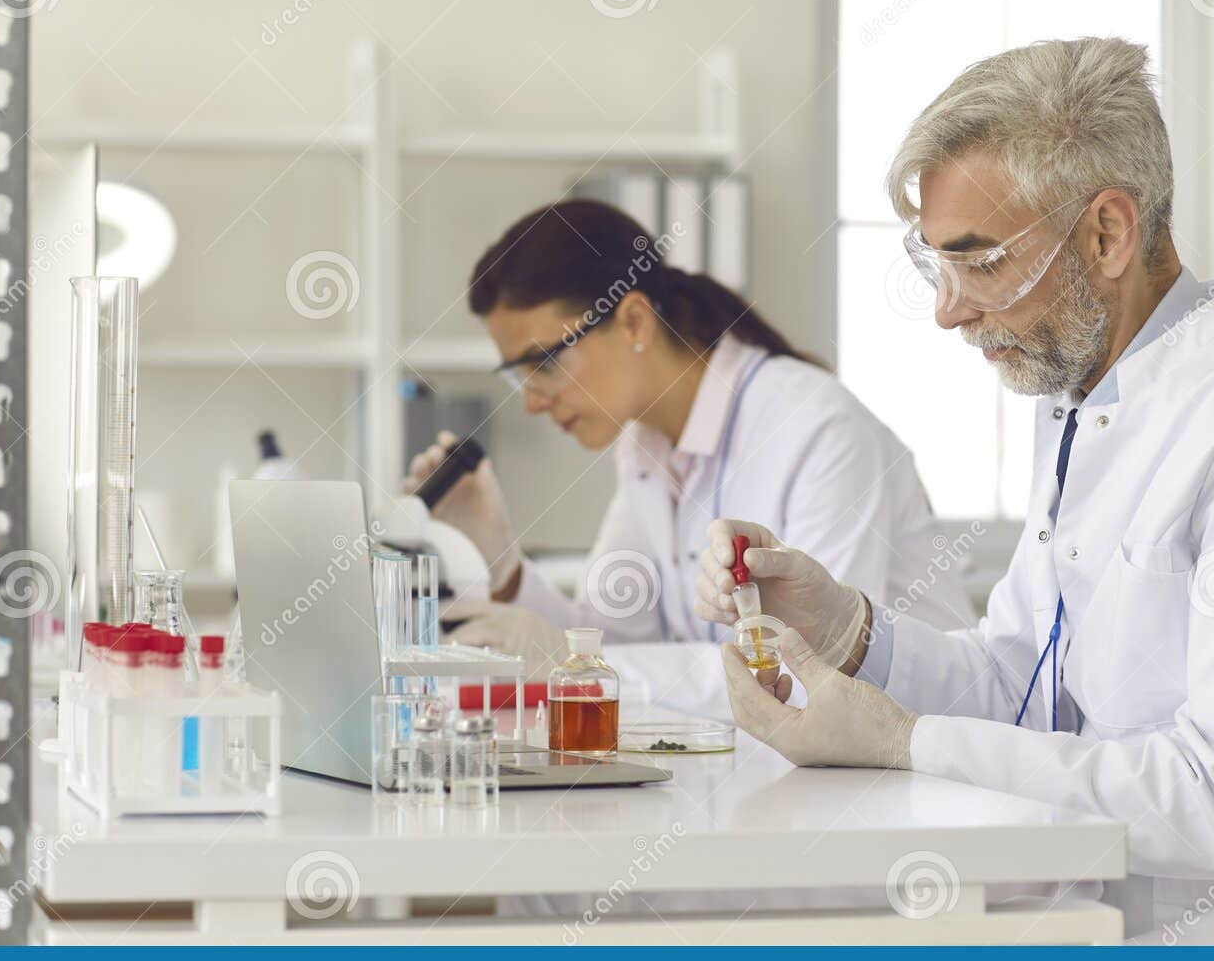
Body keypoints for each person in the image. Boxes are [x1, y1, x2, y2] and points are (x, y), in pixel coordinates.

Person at [696, 38, 1214, 944]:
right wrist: (848, 631)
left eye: (982, 261)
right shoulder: (1084, 393)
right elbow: (1023, 683)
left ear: (1108, 234)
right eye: (938, 264)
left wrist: (900, 741)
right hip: (1096, 905)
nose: (949, 310)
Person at [407, 199, 973, 714]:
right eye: (517, 377)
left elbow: (808, 674)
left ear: (632, 320)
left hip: (918, 770)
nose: (531, 401)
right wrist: (499, 562)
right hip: (791, 768)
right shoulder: (645, 448)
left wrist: (568, 661)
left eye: (545, 364)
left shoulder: (816, 428)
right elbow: (615, 641)